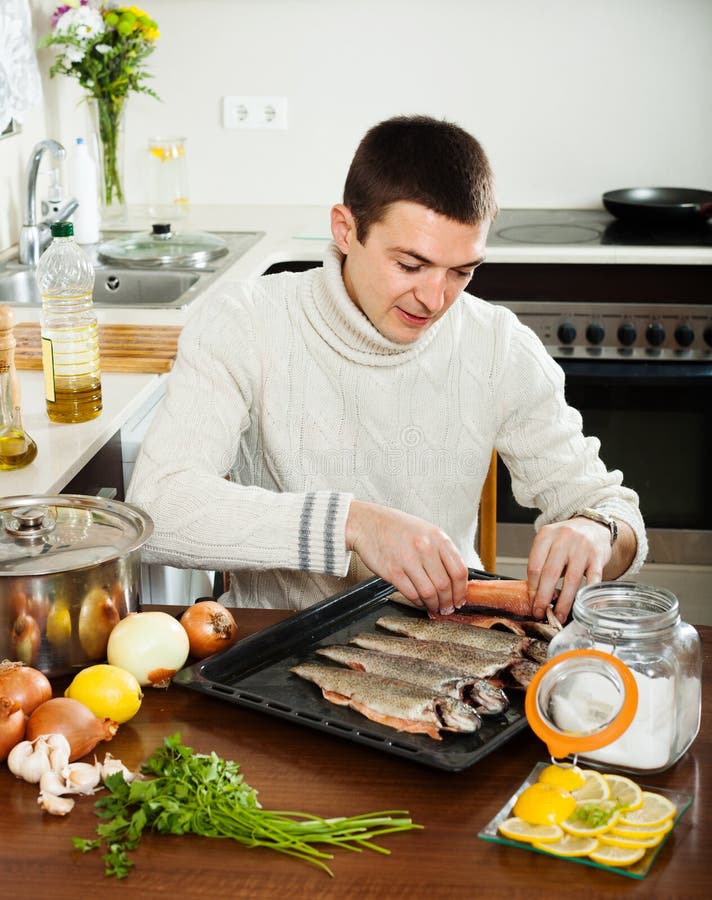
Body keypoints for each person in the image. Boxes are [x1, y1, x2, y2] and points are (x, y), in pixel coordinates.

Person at [127, 114, 646, 622]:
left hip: (446, 649)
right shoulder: (247, 322)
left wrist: (597, 531)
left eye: (461, 271)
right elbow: (159, 508)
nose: (434, 298)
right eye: (410, 265)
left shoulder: (498, 346)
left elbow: (613, 511)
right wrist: (351, 524)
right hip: (273, 649)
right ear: (346, 230)